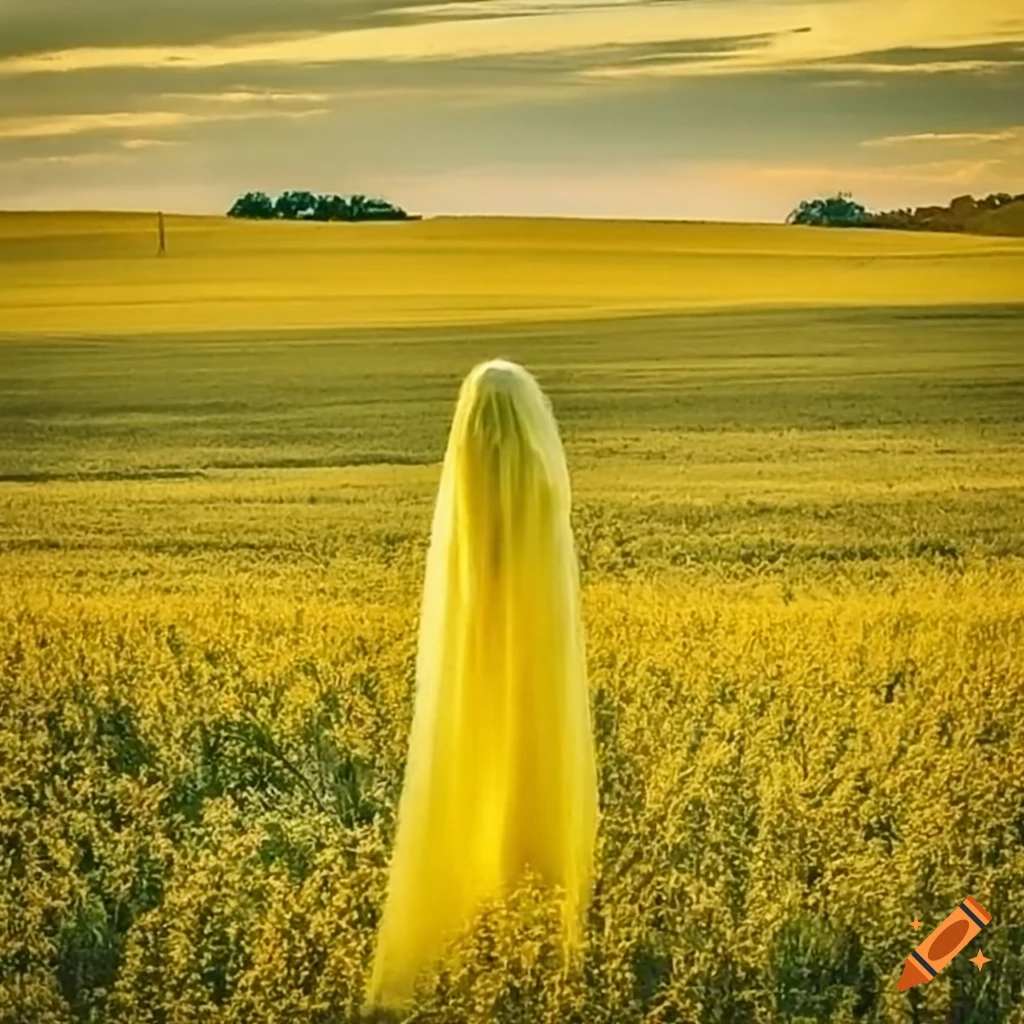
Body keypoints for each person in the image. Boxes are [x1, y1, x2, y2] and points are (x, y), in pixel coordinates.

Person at [365, 358, 599, 1009]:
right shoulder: (544, 486)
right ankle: (541, 934)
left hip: (473, 666)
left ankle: (470, 935)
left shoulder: (466, 491)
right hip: (541, 671)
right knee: (536, 775)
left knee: (472, 772)